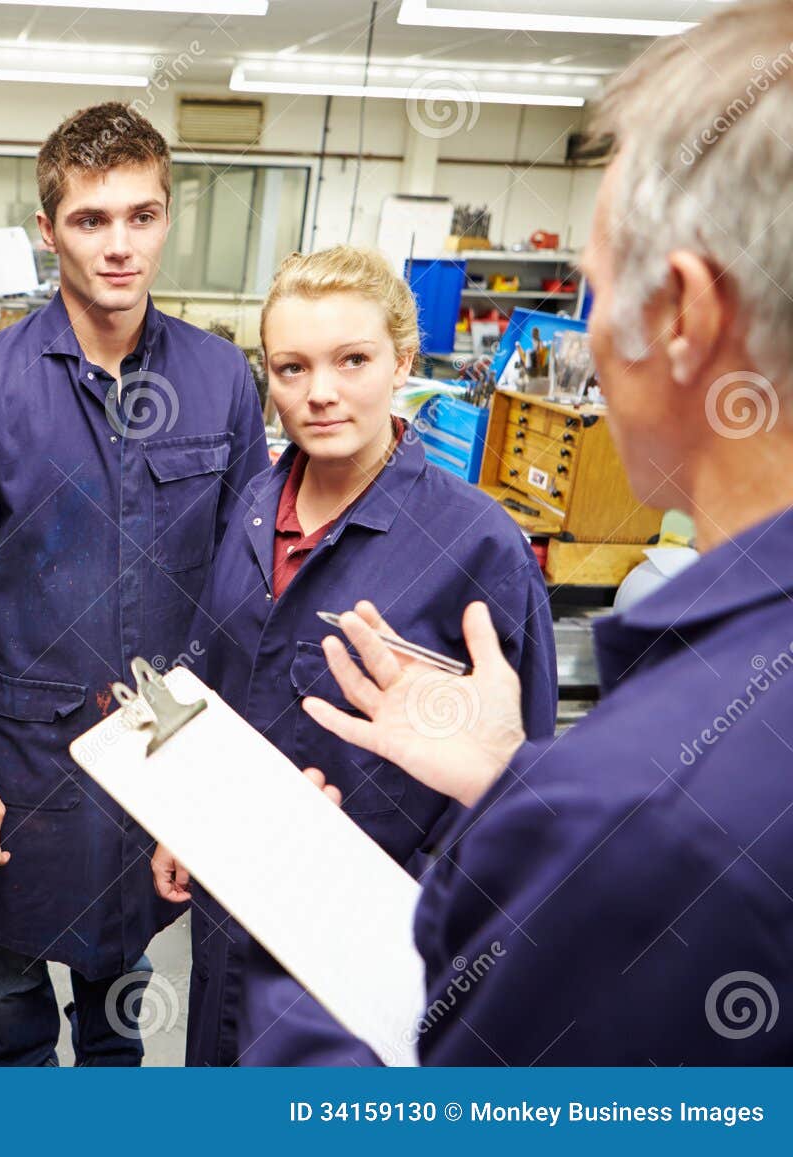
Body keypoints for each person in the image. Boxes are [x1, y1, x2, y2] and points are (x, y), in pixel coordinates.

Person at [302, 0, 793, 1063]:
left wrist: (293, 923)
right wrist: (512, 782)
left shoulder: (649, 804)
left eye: (596, 288)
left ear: (679, 315)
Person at [0, 102, 270, 1065]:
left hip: (163, 745)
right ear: (48, 229)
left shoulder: (222, 379)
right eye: (91, 220)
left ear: (167, 216)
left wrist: (227, 765)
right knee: (15, 997)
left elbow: (247, 578)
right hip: (25, 758)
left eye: (142, 216)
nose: (120, 246)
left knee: (124, 993)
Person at [152, 246, 557, 1065]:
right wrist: (187, 819)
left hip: (372, 931)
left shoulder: (479, 546)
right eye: (292, 367)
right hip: (235, 903)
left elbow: (526, 784)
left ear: (404, 359)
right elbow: (218, 683)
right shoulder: (254, 506)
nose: (321, 392)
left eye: (353, 360)